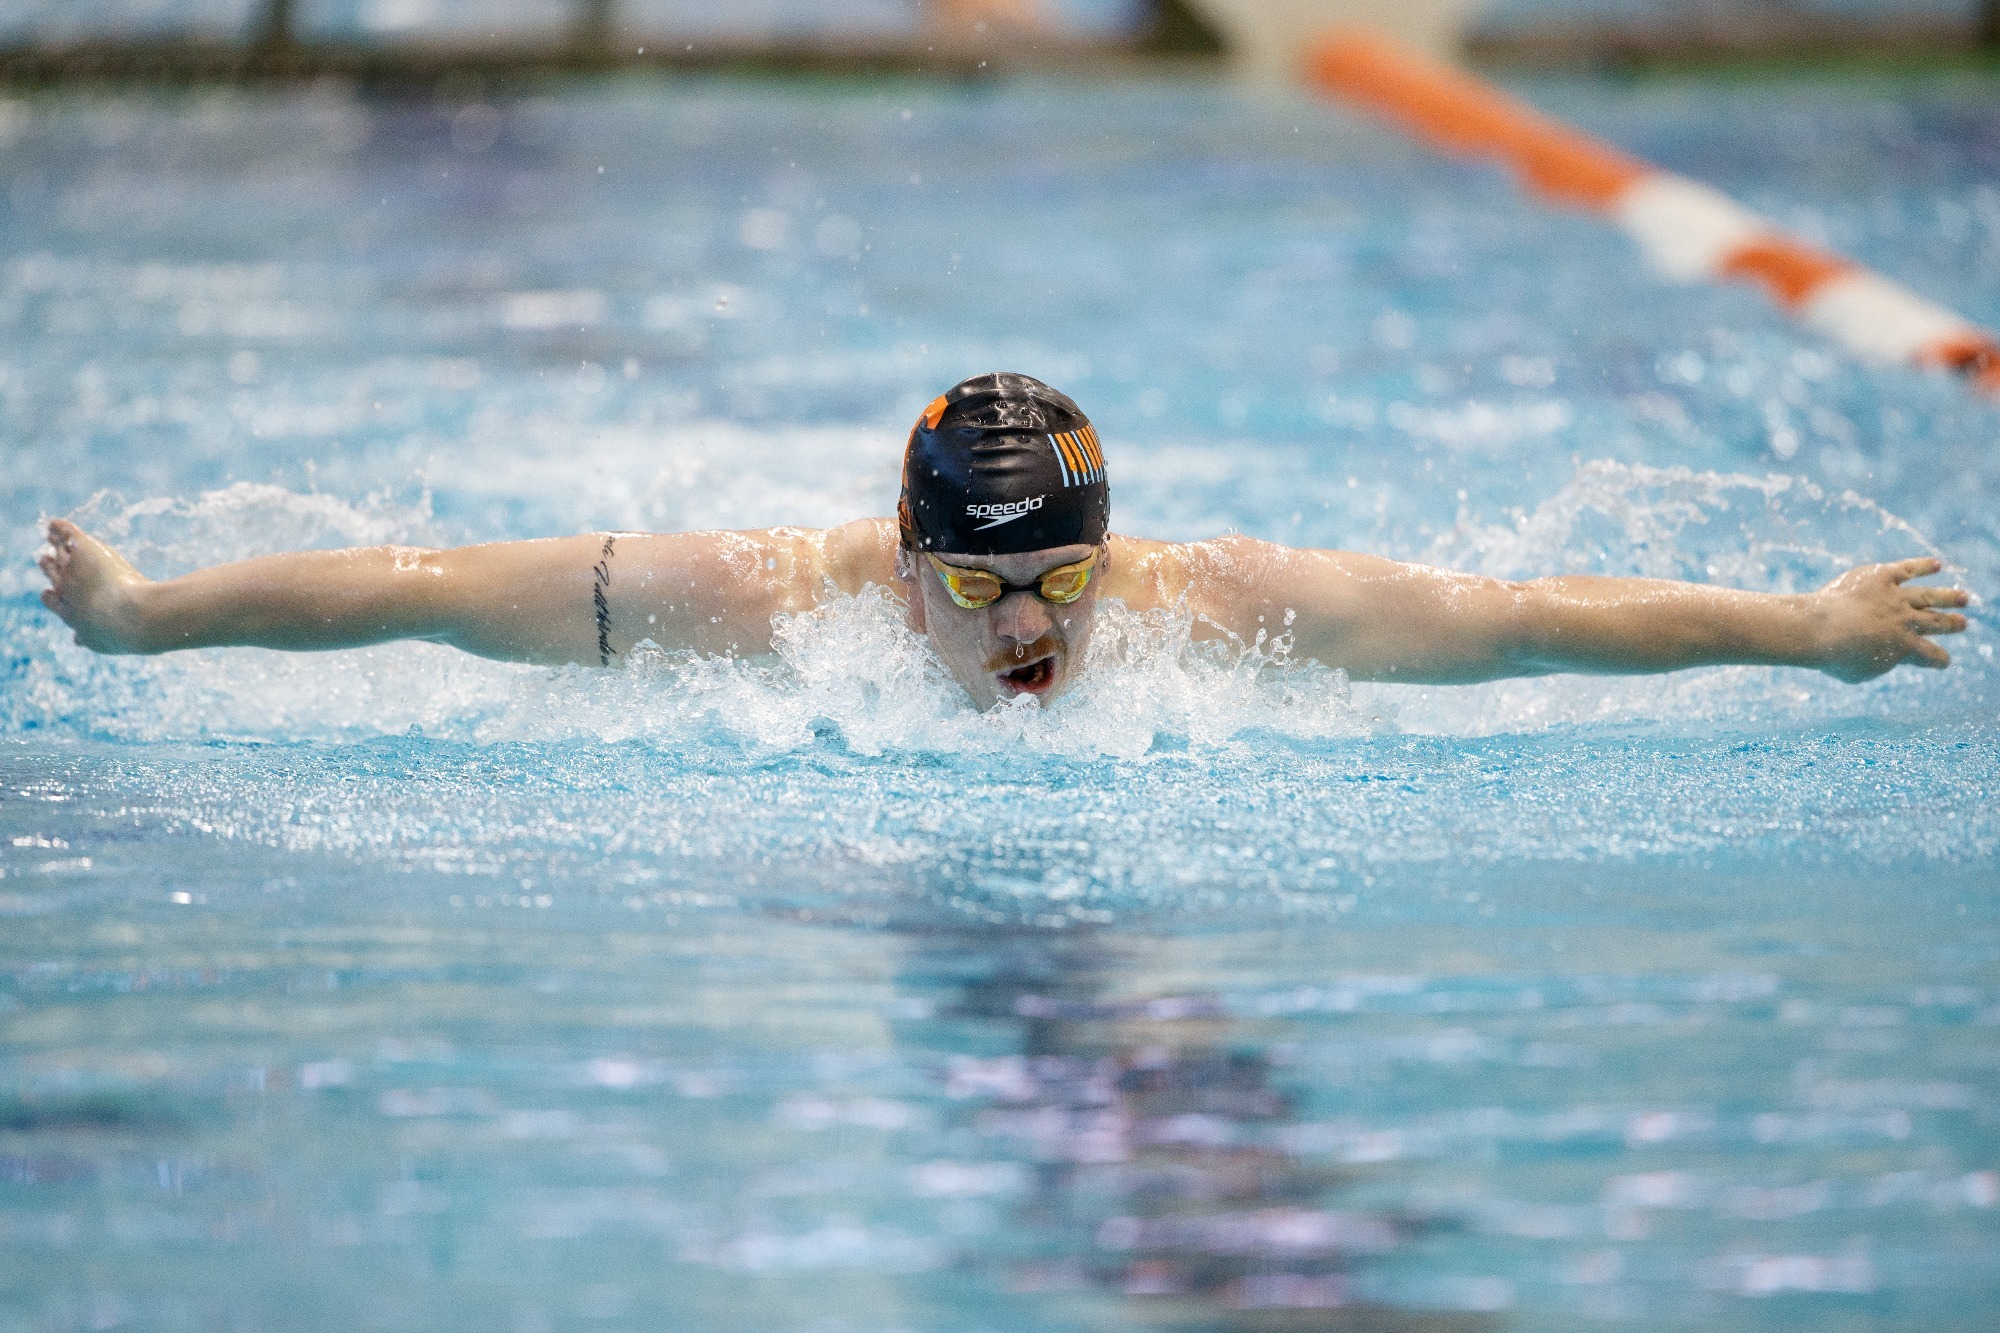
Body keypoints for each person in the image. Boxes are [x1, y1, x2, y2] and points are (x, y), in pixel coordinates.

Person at [37, 372, 1969, 710]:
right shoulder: (761, 608)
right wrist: (141, 619)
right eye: (975, 583)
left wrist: (1802, 631)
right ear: (902, 566)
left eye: (1060, 578)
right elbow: (420, 596)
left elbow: (1533, 620)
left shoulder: (1223, 612)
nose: (1028, 628)